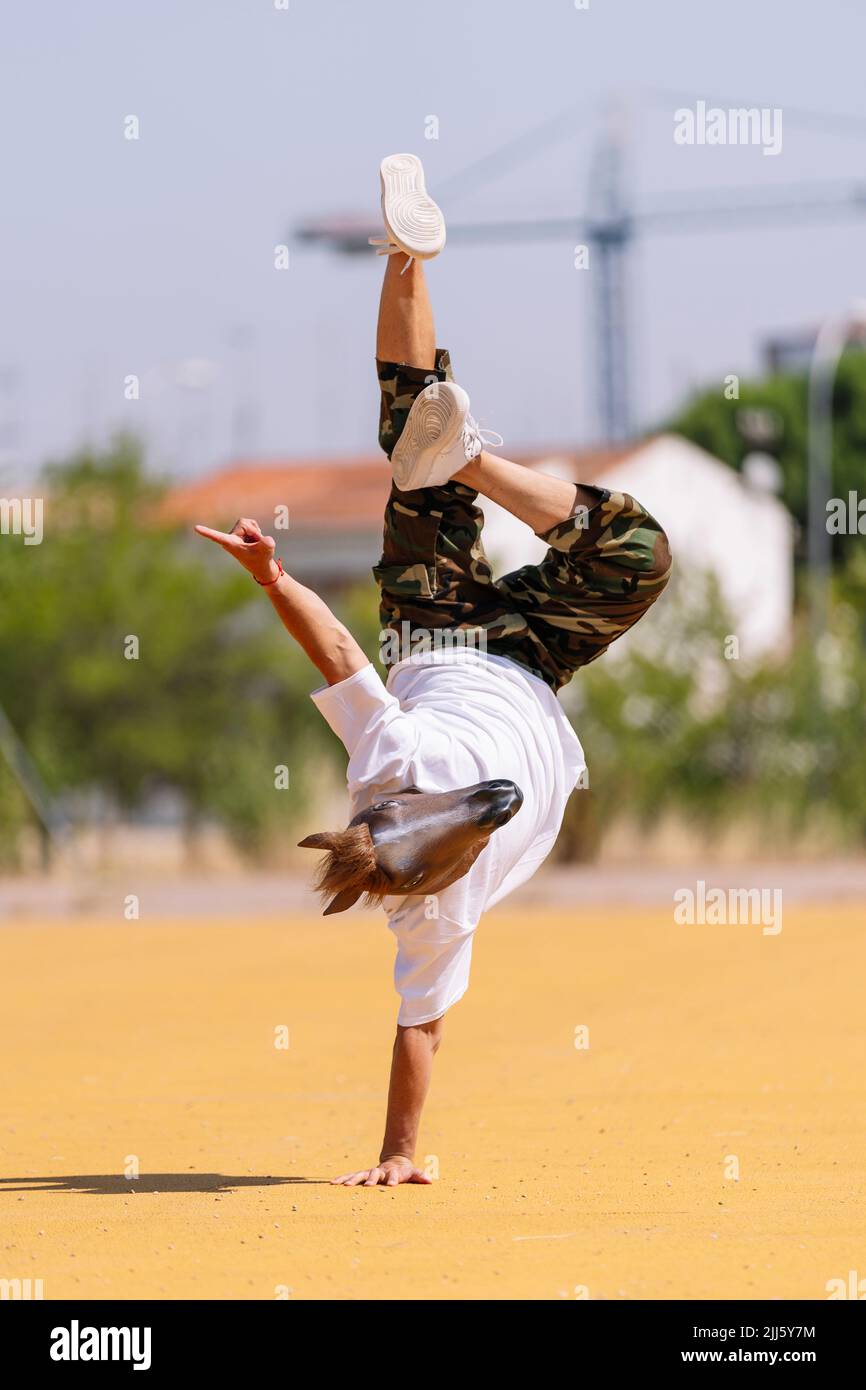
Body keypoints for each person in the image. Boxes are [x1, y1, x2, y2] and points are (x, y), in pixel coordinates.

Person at [195, 153, 671, 1187]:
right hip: (531, 663)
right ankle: (451, 444)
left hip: (436, 632)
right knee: (637, 552)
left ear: (399, 812)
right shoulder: (432, 910)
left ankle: (408, 263)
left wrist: (272, 576)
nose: (474, 811)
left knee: (413, 430)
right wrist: (397, 1156)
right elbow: (419, 1033)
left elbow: (332, 648)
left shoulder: (392, 763)